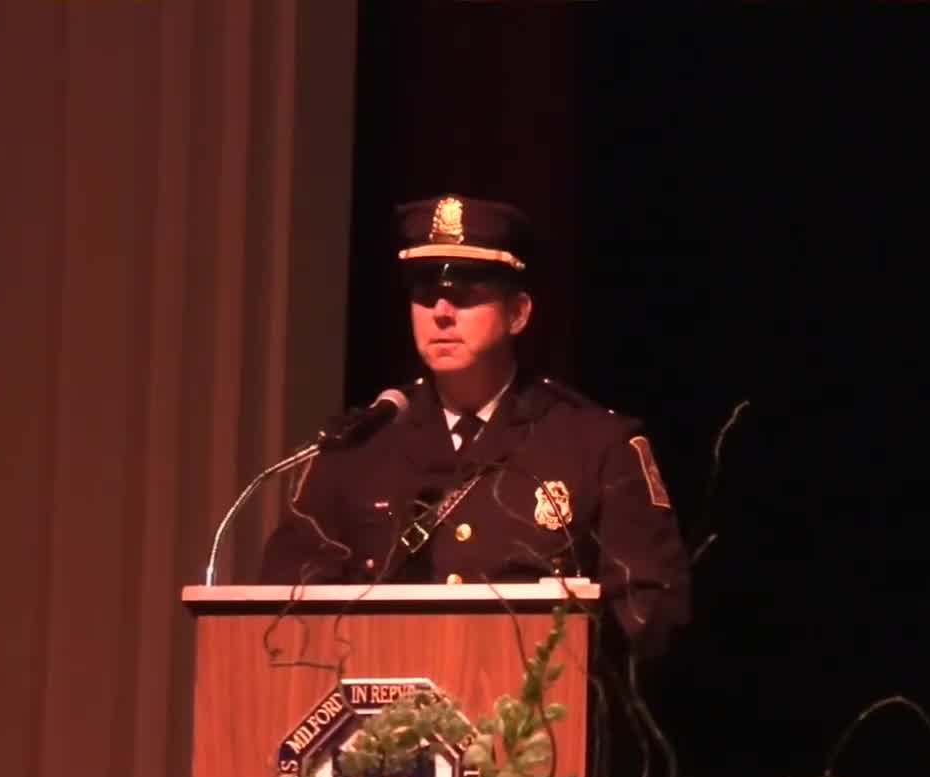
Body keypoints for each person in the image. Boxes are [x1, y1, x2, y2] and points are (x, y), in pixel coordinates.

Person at [258, 194, 691, 660]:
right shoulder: (356, 447)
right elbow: (286, 599)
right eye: (424, 295)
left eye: (464, 295)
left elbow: (653, 610)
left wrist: (549, 659)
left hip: (533, 720)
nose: (441, 312)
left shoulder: (596, 446)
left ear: (518, 313)